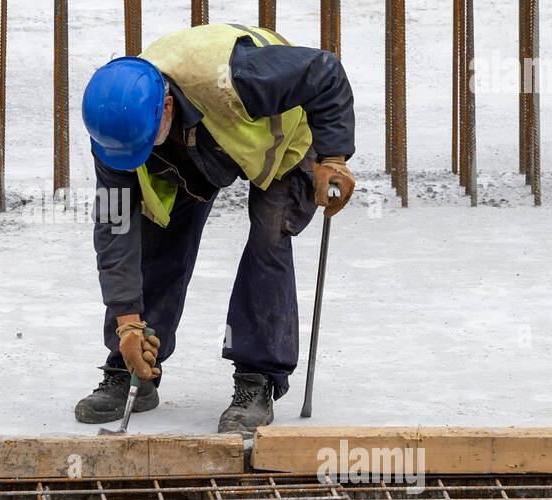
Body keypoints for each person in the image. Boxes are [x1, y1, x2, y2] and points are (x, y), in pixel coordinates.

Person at [76, 23, 356, 437]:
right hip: (194, 144)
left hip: (280, 138)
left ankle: (257, 380)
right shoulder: (118, 134)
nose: (138, 155)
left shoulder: (240, 76)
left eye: (144, 142)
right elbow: (115, 230)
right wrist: (127, 323)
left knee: (269, 233)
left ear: (166, 105)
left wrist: (333, 156)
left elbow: (325, 71)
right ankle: (133, 368)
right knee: (158, 232)